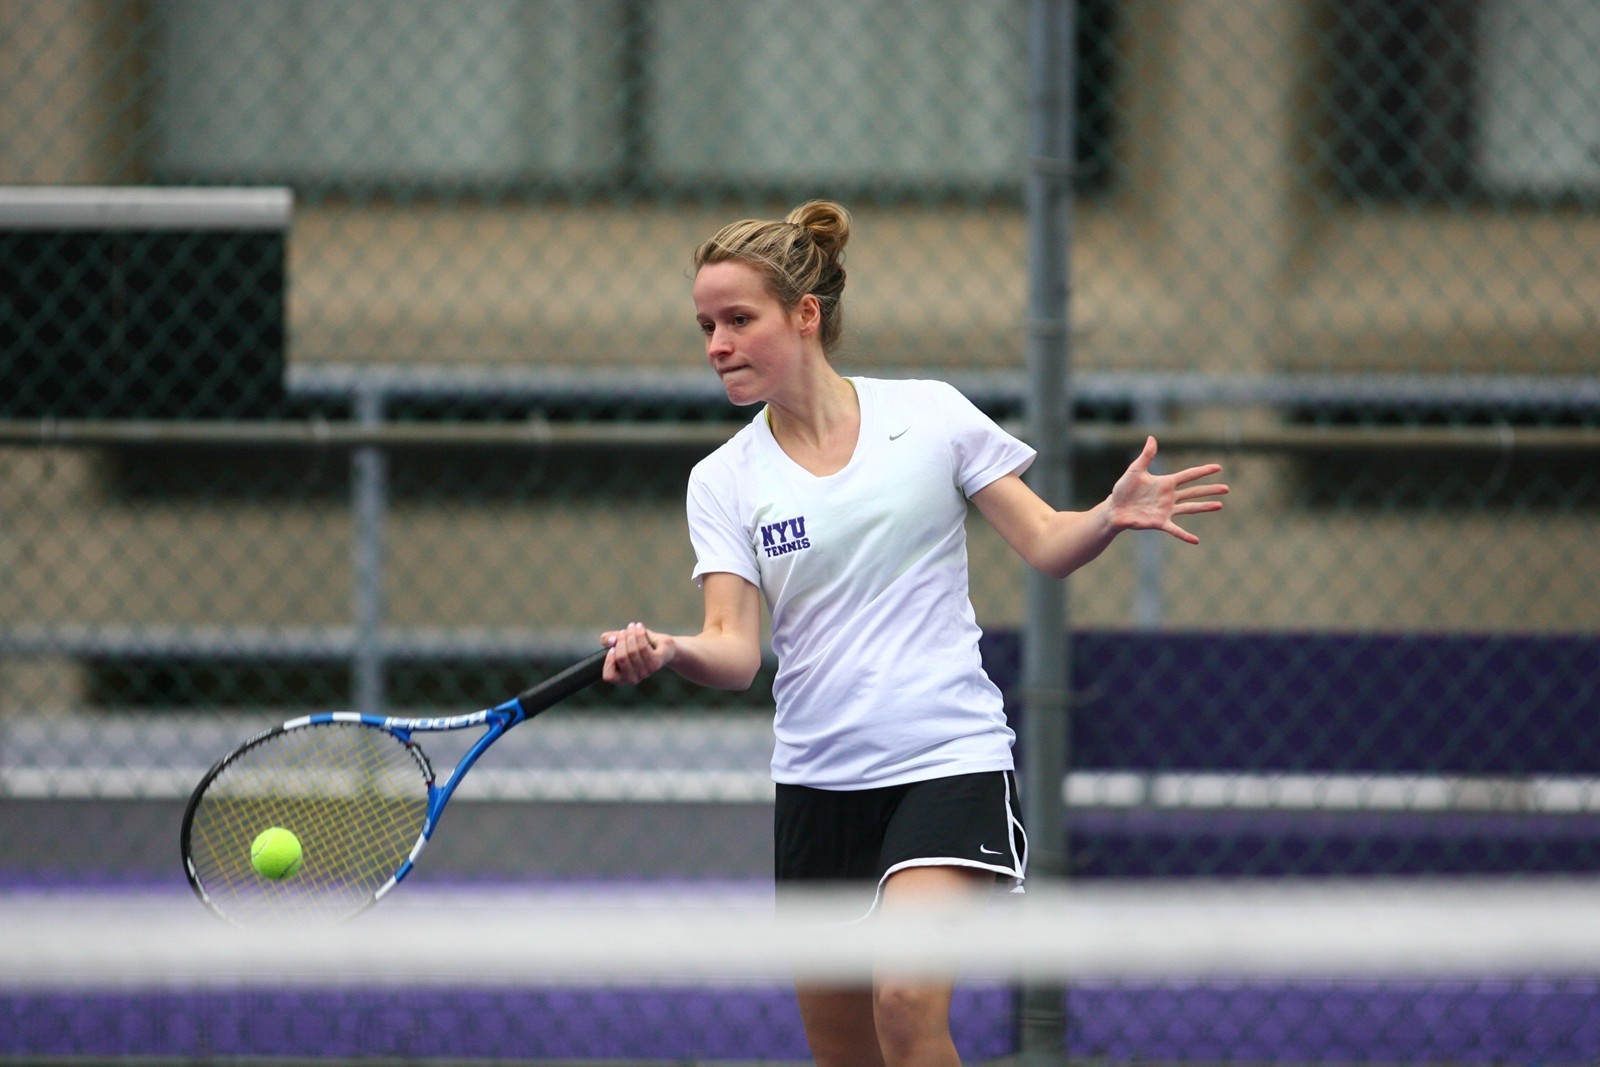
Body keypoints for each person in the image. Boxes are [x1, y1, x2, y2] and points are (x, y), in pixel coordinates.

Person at [602, 200, 1227, 1067]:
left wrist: (1109, 516)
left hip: (946, 760)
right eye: (707, 325)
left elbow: (1046, 543)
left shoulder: (930, 417)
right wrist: (670, 650)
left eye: (738, 319)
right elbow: (734, 650)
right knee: (847, 1051)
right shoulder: (723, 480)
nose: (717, 344)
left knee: (904, 1002)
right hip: (818, 785)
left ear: (805, 314)